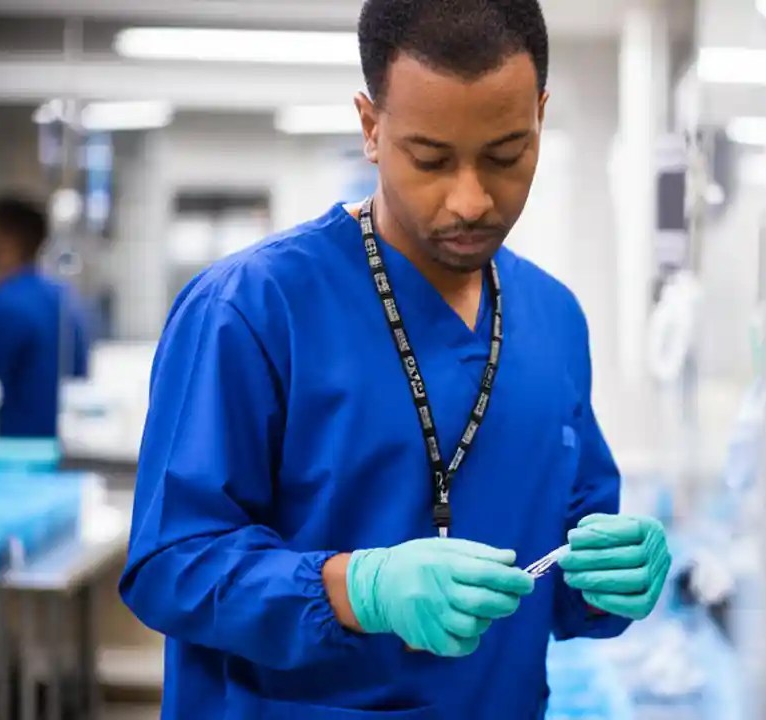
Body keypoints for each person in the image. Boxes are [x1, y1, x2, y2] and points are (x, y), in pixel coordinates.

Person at [119, 1, 673, 718]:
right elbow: (170, 564)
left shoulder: (553, 319)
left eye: (506, 155)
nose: (471, 200)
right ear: (371, 128)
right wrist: (362, 588)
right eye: (431, 159)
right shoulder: (253, 308)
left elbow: (565, 578)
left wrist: (612, 575)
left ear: (541, 115)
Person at [0, 195, 89, 438]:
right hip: (58, 453)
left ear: (3, 240)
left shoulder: (2, 305)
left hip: (10, 455)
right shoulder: (66, 302)